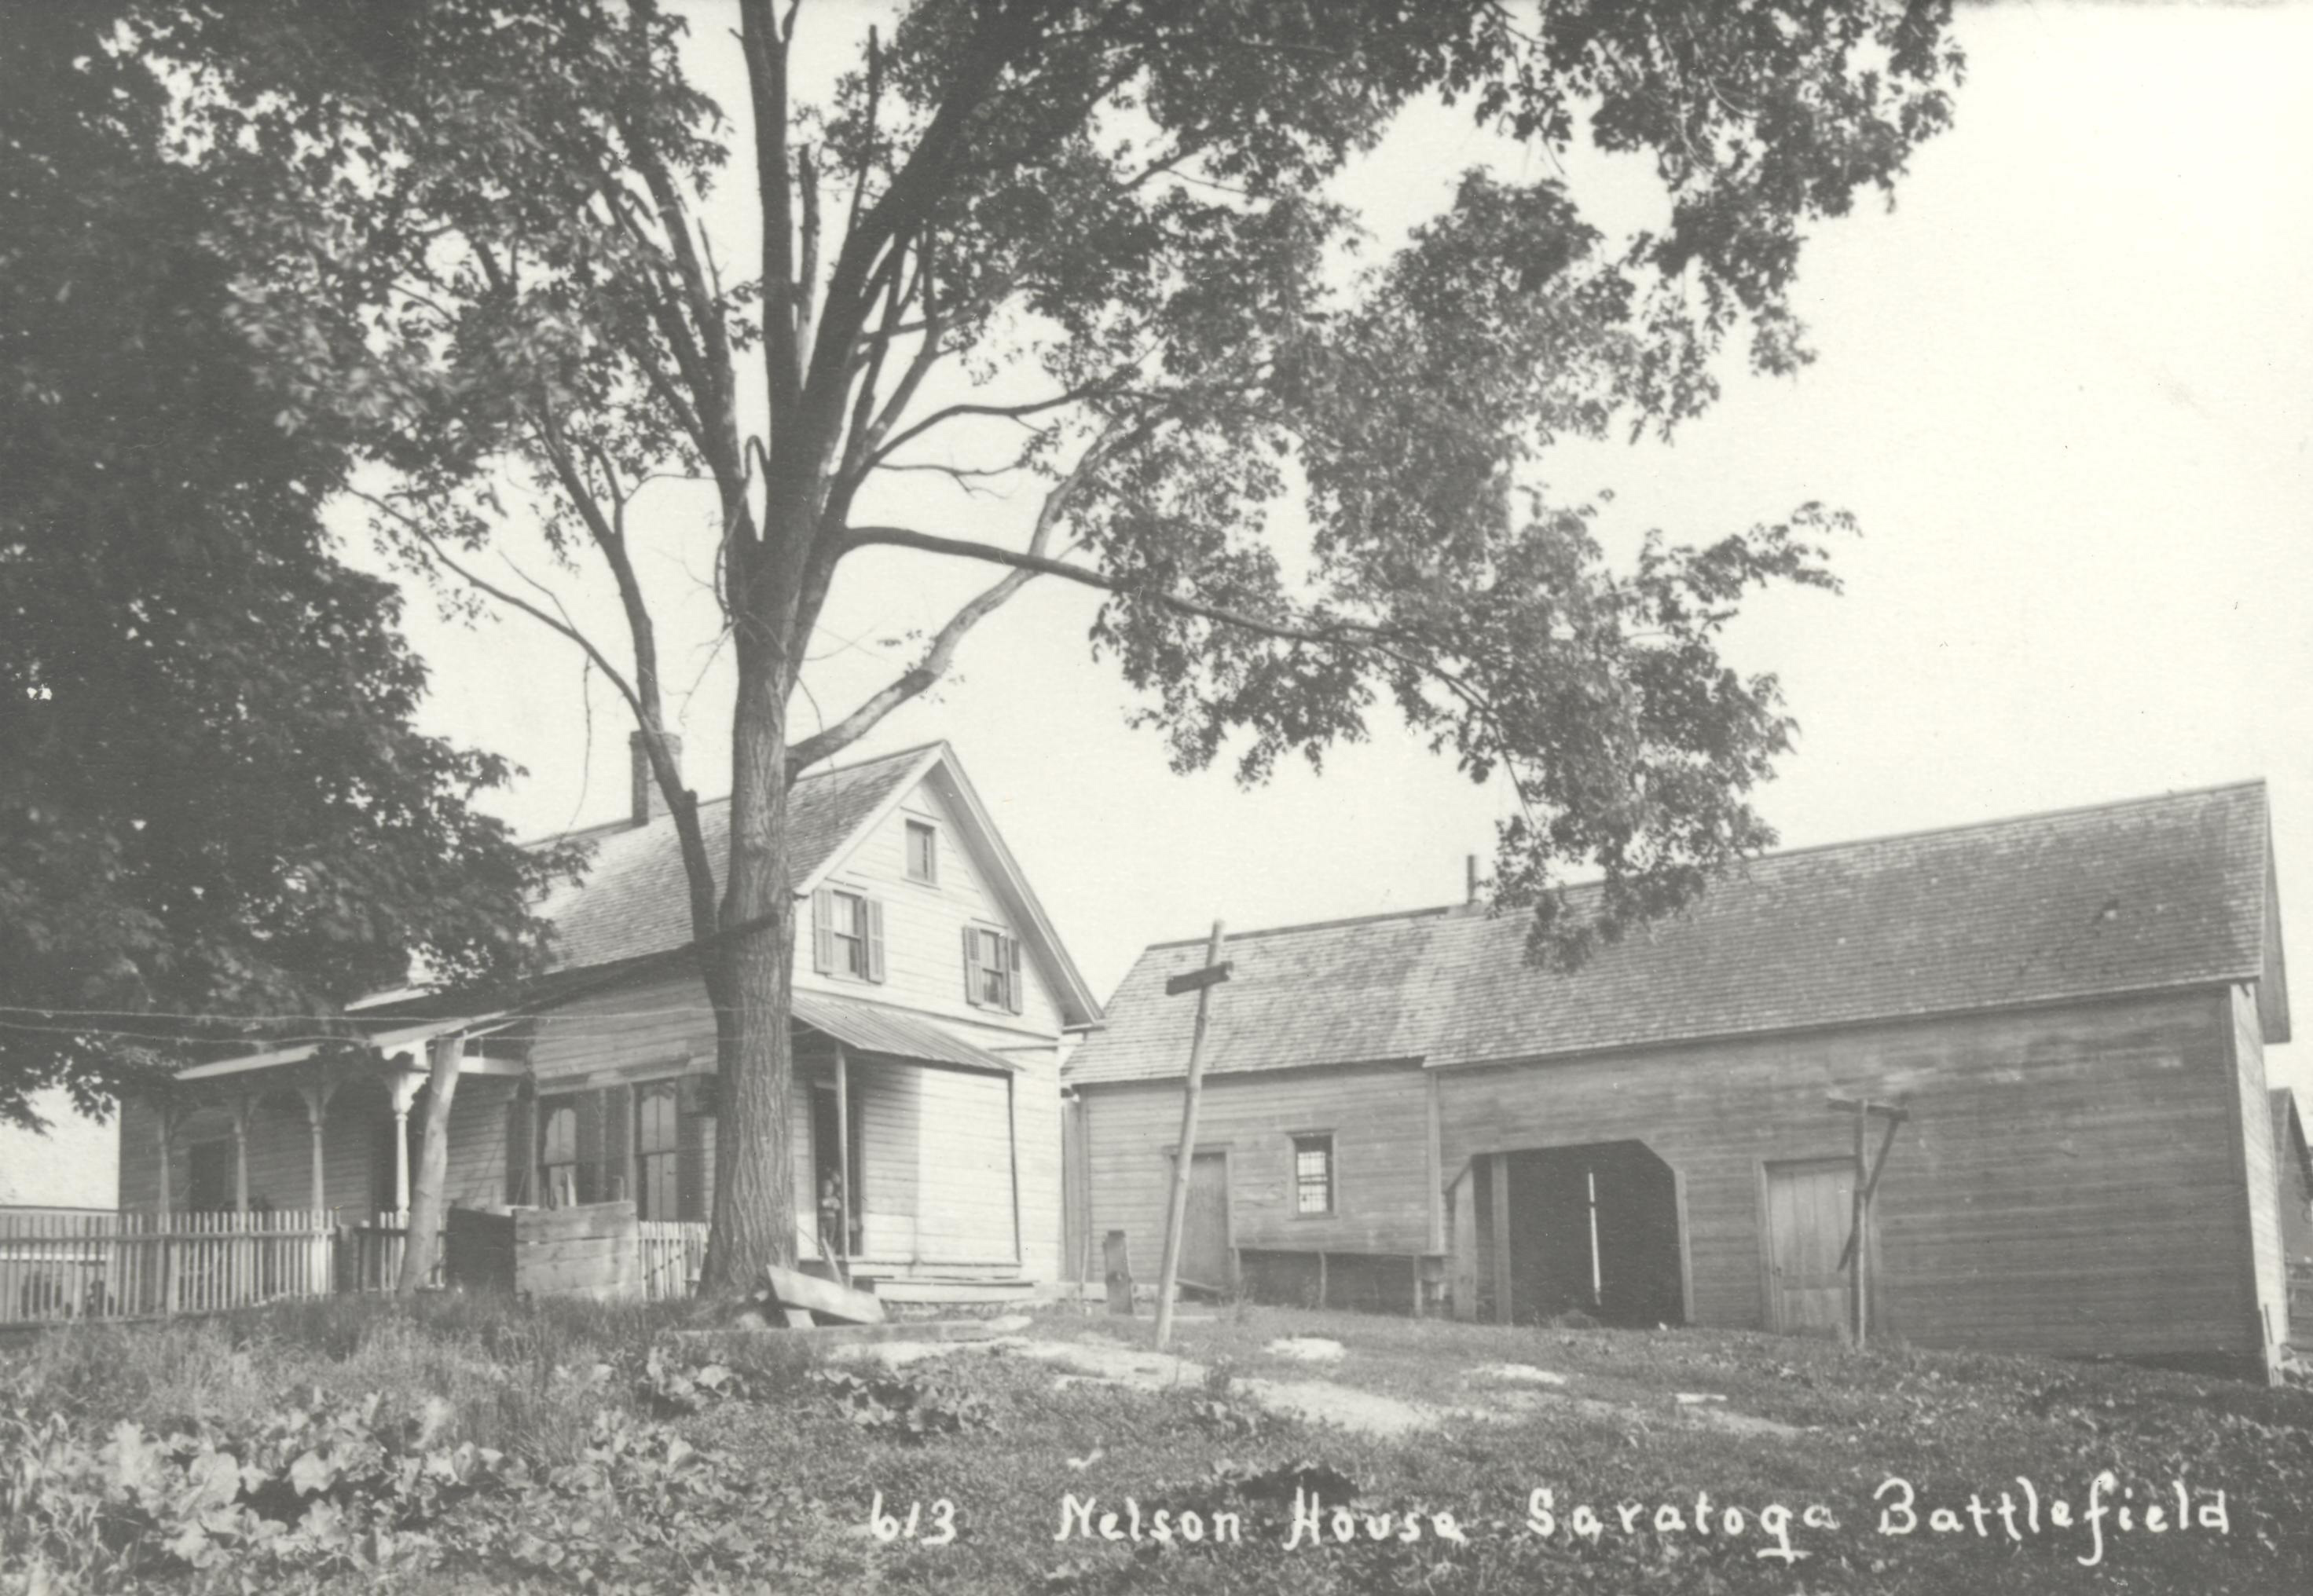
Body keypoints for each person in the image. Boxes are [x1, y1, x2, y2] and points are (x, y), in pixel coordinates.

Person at [819, 1168, 845, 1257]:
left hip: (832, 1220)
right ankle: (823, 1253)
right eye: (825, 1189)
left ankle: (830, 1252)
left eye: (829, 1189)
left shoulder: (834, 1198)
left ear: (832, 1190)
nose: (827, 1191)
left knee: (831, 1237)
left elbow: (837, 1206)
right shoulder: (821, 1199)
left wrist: (830, 1204)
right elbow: (822, 1204)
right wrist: (827, 1204)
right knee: (823, 1236)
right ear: (822, 1190)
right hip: (822, 1220)